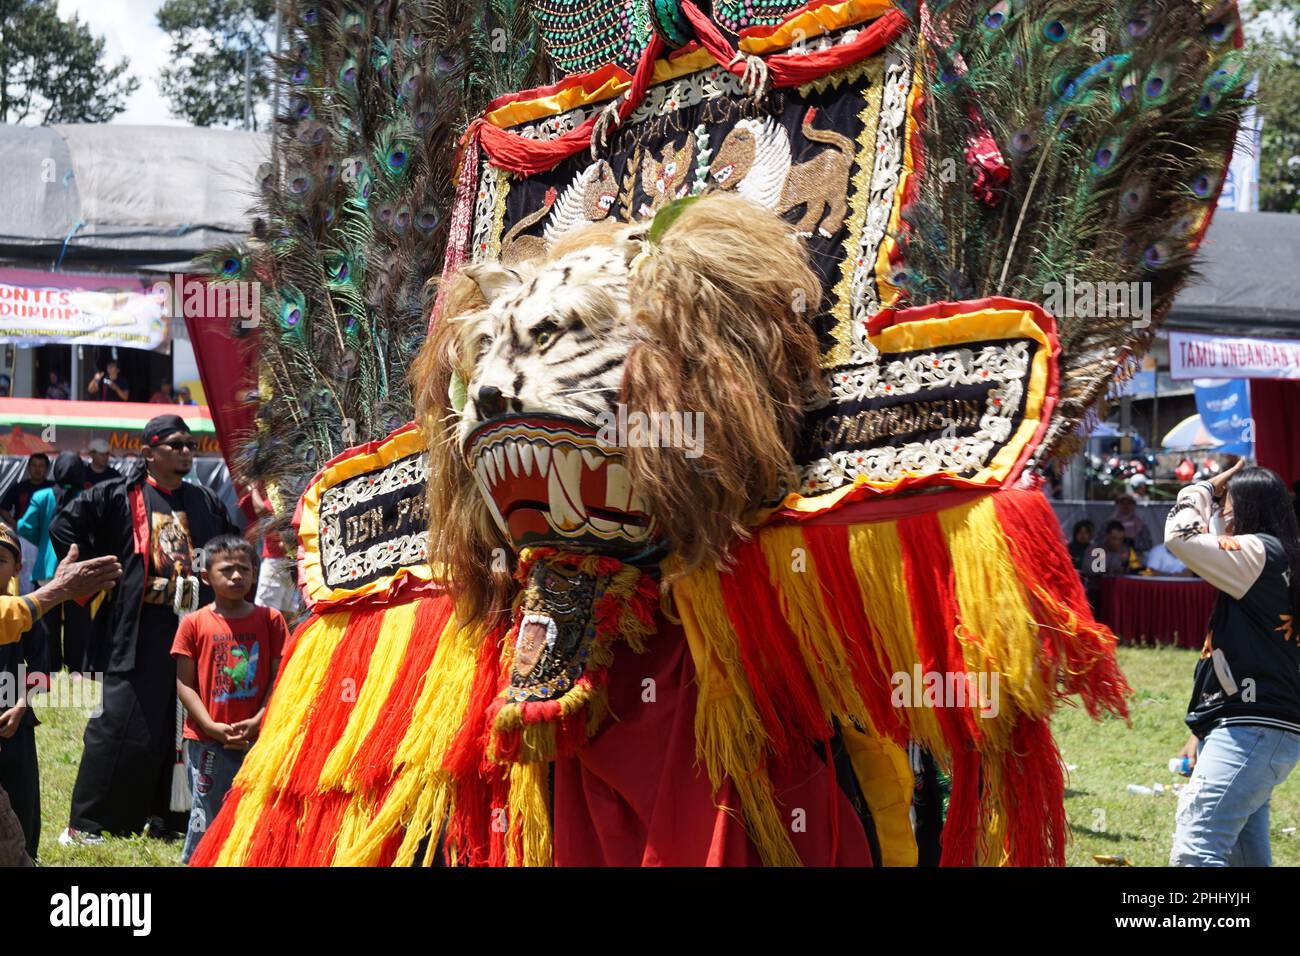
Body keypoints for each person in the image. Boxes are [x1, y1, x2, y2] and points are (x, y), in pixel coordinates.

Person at [50, 415, 240, 845]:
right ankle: (87, 824)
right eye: (176, 445)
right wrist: (93, 573)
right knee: (118, 724)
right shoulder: (118, 495)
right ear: (149, 451)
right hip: (138, 629)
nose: (186, 451)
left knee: (175, 725)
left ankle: (168, 818)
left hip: (192, 630)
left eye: (190, 444)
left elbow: (229, 544)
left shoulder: (204, 501)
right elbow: (63, 527)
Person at [1167, 460, 1300, 866]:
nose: (1220, 513)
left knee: (1196, 848)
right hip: (1263, 729)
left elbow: (1182, 537)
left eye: (1227, 504)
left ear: (1246, 509)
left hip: (1252, 729)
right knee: (1246, 856)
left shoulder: (1259, 552)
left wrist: (1202, 487)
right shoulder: (1282, 556)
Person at [0, 526, 123, 865]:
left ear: (18, 568)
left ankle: (27, 854)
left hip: (14, 721)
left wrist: (22, 706)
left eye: (1, 560)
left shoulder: (26, 615)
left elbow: (41, 669)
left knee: (21, 795)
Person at [173, 535, 286, 864]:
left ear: (255, 572)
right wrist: (210, 725)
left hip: (259, 737)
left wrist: (259, 719)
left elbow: (280, 677)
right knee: (206, 814)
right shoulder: (193, 623)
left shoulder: (271, 620)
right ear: (206, 576)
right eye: (227, 570)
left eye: (244, 569)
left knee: (256, 808)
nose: (237, 576)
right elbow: (184, 684)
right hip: (207, 741)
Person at [18, 453, 88, 674]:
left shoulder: (42, 496)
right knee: (78, 622)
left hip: (47, 570)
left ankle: (50, 667)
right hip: (79, 569)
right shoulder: (87, 497)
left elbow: (23, 526)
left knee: (47, 623)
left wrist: (43, 539)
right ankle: (77, 669)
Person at [0, 454, 52, 527]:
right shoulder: (18, 487)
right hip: (22, 534)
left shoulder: (54, 488)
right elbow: (3, 509)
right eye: (34, 465)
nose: (37, 469)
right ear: (28, 467)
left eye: (41, 466)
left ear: (47, 469)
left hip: (46, 532)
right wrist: (16, 524)